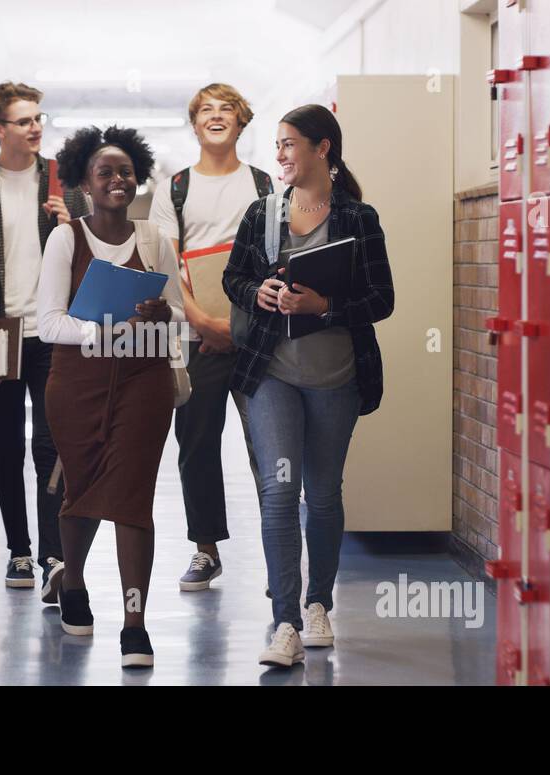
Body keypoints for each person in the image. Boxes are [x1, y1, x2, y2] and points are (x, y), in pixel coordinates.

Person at [222, 104, 395, 668]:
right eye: (277, 144)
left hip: (336, 378)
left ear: (323, 149)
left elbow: (382, 299)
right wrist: (259, 294)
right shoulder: (261, 214)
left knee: (321, 494)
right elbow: (233, 277)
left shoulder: (357, 218)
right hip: (270, 374)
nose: (280, 154)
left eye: (291, 143)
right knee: (278, 491)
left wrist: (325, 307)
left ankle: (318, 603)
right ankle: (285, 622)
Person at [37, 125, 185, 668]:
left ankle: (135, 623)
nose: (118, 180)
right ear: (84, 183)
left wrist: (165, 316)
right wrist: (100, 330)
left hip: (144, 382)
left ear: (138, 177)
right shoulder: (65, 238)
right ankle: (72, 581)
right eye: (106, 173)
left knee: (131, 495)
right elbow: (47, 323)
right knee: (81, 488)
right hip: (77, 384)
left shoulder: (155, 241)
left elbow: (181, 321)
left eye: (125, 171)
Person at [0, 83, 89, 601]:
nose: (35, 128)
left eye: (39, 118)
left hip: (53, 330)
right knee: (6, 445)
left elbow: (95, 257)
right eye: (23, 121)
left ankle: (55, 557)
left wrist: (71, 226)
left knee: (51, 445)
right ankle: (19, 550)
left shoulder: (67, 185)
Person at [147, 83, 272, 592]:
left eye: (227, 110)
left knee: (269, 444)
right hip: (197, 336)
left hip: (259, 334)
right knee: (196, 442)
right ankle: (205, 549)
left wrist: (243, 324)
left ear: (242, 123)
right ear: (194, 124)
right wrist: (201, 322)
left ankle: (278, 551)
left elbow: (275, 259)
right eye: (206, 111)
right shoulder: (173, 189)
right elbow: (166, 263)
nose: (216, 117)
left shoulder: (266, 185)